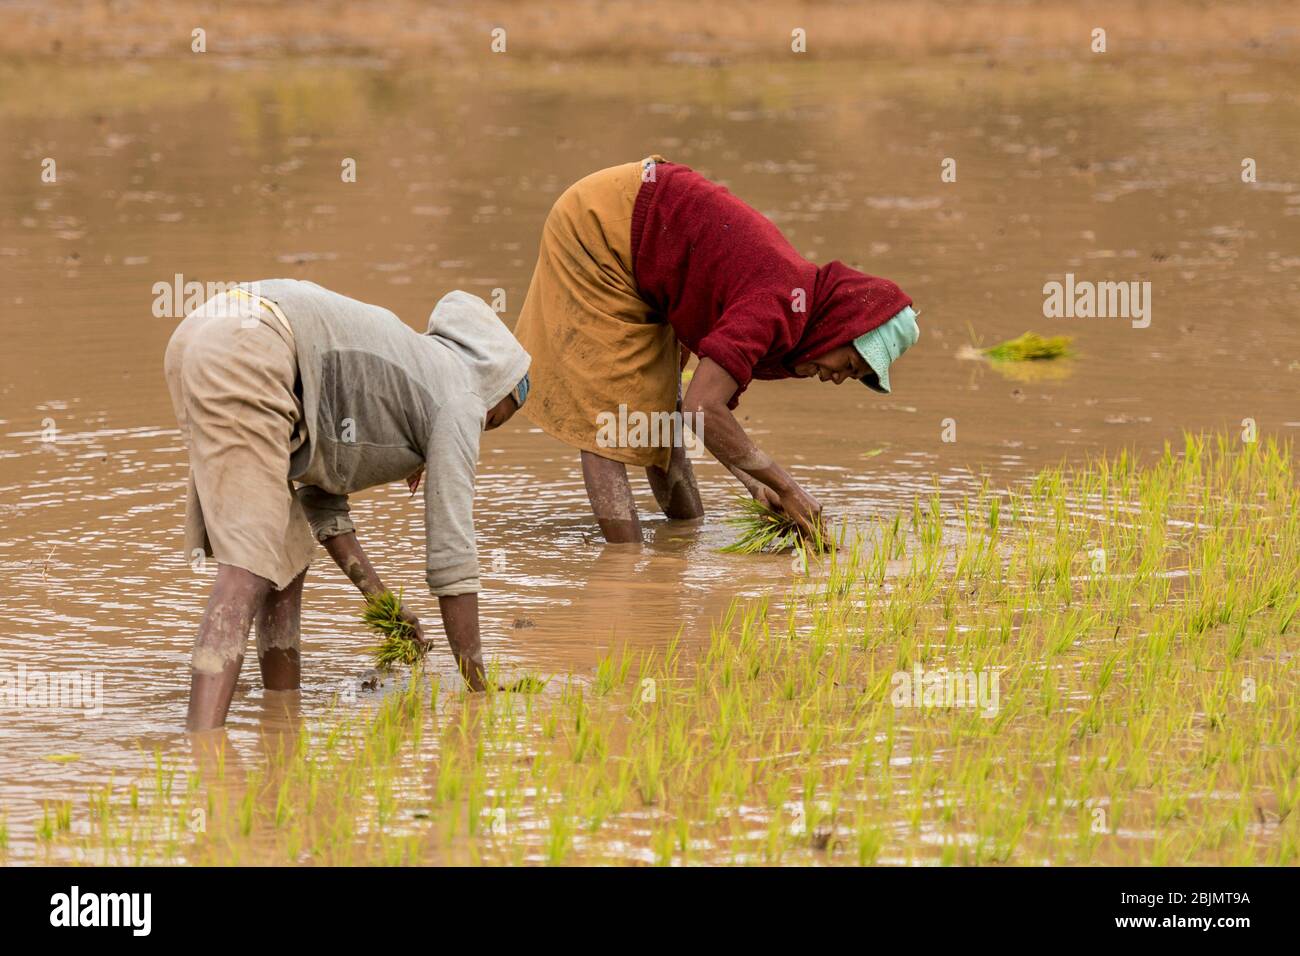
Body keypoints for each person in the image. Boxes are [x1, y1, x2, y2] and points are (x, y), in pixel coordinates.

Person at [164, 281, 530, 730]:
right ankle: (203, 747)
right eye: (498, 417)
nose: (486, 426)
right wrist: (477, 685)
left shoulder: (409, 369)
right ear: (496, 388)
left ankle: (280, 720)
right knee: (248, 566)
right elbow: (453, 549)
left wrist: (385, 607)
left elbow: (322, 495)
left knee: (285, 557)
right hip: (255, 343)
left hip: (207, 328)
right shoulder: (462, 398)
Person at [513, 156, 919, 543]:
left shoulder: (794, 302)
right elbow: (703, 409)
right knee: (608, 421)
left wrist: (757, 486)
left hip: (649, 245)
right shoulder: (778, 301)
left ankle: (681, 539)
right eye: (849, 364)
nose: (838, 378)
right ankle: (628, 567)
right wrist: (789, 488)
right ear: (839, 328)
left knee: (660, 412)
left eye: (854, 378)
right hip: (602, 223)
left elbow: (693, 414)